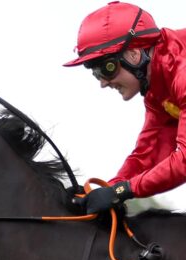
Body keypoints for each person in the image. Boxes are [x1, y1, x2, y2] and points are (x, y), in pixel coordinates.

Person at [64, 3, 186, 214]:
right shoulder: (158, 86)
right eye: (96, 73)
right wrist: (108, 189)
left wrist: (122, 191)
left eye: (106, 69)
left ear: (134, 54)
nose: (103, 83)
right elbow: (148, 154)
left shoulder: (181, 72)